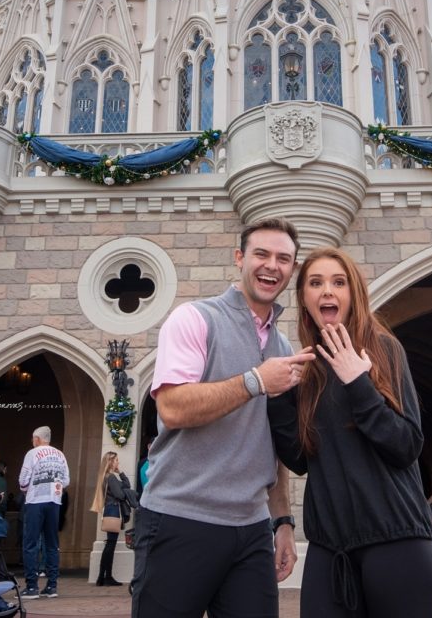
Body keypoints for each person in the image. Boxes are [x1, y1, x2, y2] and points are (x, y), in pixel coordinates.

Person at [131, 217, 315, 618]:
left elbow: (272, 444)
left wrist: (282, 520)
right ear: (239, 258)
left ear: (292, 269)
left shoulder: (282, 345)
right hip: (179, 518)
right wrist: (255, 381)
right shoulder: (195, 319)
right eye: (261, 254)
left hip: (251, 530)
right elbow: (174, 407)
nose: (272, 266)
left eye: (284, 259)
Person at [268, 247, 432, 618]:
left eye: (338, 282)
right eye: (315, 283)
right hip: (330, 550)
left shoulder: (383, 349)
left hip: (397, 541)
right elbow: (300, 458)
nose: (327, 291)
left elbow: (406, 445)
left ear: (353, 294)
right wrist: (278, 400)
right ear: (304, 298)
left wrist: (358, 383)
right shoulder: (309, 369)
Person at [19, 425, 70, 600]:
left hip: (35, 501)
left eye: (33, 438)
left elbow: (23, 480)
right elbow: (66, 480)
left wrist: (27, 489)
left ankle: (32, 586)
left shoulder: (32, 454)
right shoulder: (60, 454)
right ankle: (52, 585)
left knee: (30, 543)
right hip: (54, 501)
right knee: (52, 544)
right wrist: (55, 489)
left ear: (37, 439)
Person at [91, 451, 133, 586]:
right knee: (110, 545)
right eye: (116, 461)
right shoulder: (111, 478)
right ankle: (105, 577)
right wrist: (120, 476)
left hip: (110, 510)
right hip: (114, 511)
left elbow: (126, 485)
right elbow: (121, 494)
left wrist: (120, 471)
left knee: (110, 544)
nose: (118, 463)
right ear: (110, 462)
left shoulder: (106, 477)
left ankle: (103, 577)